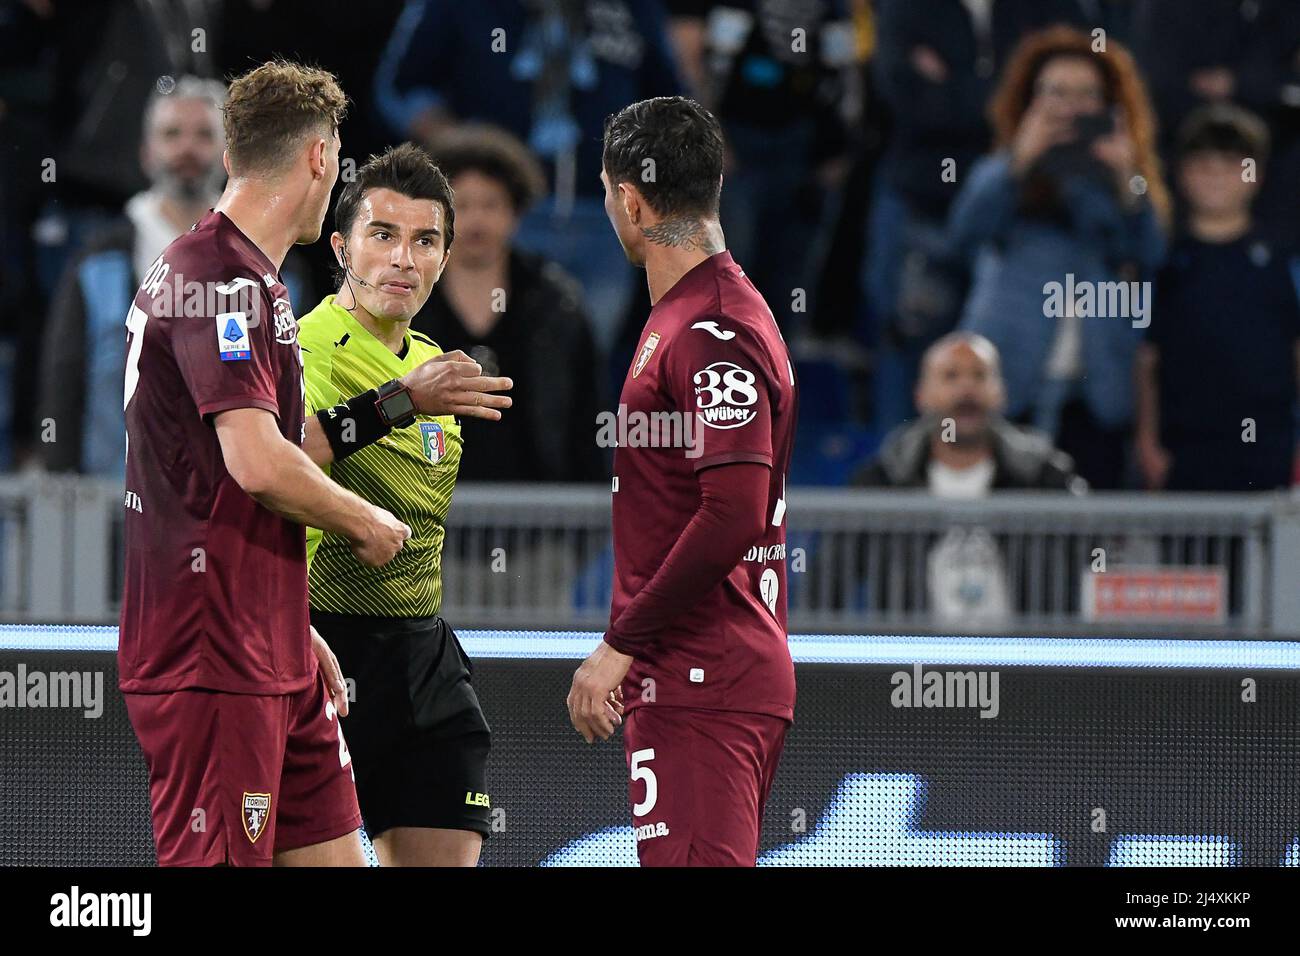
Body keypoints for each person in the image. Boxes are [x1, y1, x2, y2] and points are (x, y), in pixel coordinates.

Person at [118, 60, 507, 868]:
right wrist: (361, 517)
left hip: (274, 643)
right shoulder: (221, 281)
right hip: (211, 646)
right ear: (323, 161)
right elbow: (258, 461)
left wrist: (289, 618)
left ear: (232, 156)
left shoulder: (241, 276)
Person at [566, 96, 798, 867]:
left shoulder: (711, 327)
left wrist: (619, 644)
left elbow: (735, 510)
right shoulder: (700, 311)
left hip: (705, 673)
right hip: (703, 671)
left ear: (629, 199)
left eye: (606, 195)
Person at [300, 143, 512, 866]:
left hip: (422, 658)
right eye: (382, 235)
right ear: (341, 247)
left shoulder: (433, 365)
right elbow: (279, 457)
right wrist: (401, 401)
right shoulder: (308, 346)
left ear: (445, 257)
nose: (403, 259)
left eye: (425, 241)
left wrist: (415, 392)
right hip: (323, 644)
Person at [36, 76, 312, 477]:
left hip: (235, 506)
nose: (186, 148)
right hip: (117, 504)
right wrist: (61, 480)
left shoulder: (278, 265)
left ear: (228, 154)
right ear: (147, 152)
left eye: (203, 134)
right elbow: (63, 381)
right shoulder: (98, 261)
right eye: (172, 134)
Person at [949, 25, 1169, 488]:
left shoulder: (1123, 178)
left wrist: (1127, 178)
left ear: (1110, 105)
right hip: (1012, 388)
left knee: (1091, 541)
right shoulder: (1002, 170)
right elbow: (964, 233)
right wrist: (1019, 161)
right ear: (1029, 100)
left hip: (1095, 392)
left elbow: (1152, 255)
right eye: (1056, 93)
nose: (1071, 107)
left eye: (1087, 95)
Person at [415, 125, 605, 483]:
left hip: (541, 511)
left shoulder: (555, 300)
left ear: (515, 213)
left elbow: (585, 415)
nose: (476, 221)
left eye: (491, 205)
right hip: (419, 511)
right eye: (462, 206)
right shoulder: (405, 299)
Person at [1136, 104, 1300, 492]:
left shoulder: (1282, 262)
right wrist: (1147, 443)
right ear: (1182, 173)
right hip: (1184, 449)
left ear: (1255, 175)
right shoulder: (1163, 262)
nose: (1215, 178)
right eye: (1203, 166)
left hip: (1269, 445)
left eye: (1230, 165)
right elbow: (1146, 360)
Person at [857, 332, 1086, 494]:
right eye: (951, 376)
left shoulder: (1047, 478)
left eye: (980, 375)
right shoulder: (881, 481)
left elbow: (1097, 552)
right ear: (921, 396)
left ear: (1001, 394)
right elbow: (833, 560)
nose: (967, 388)